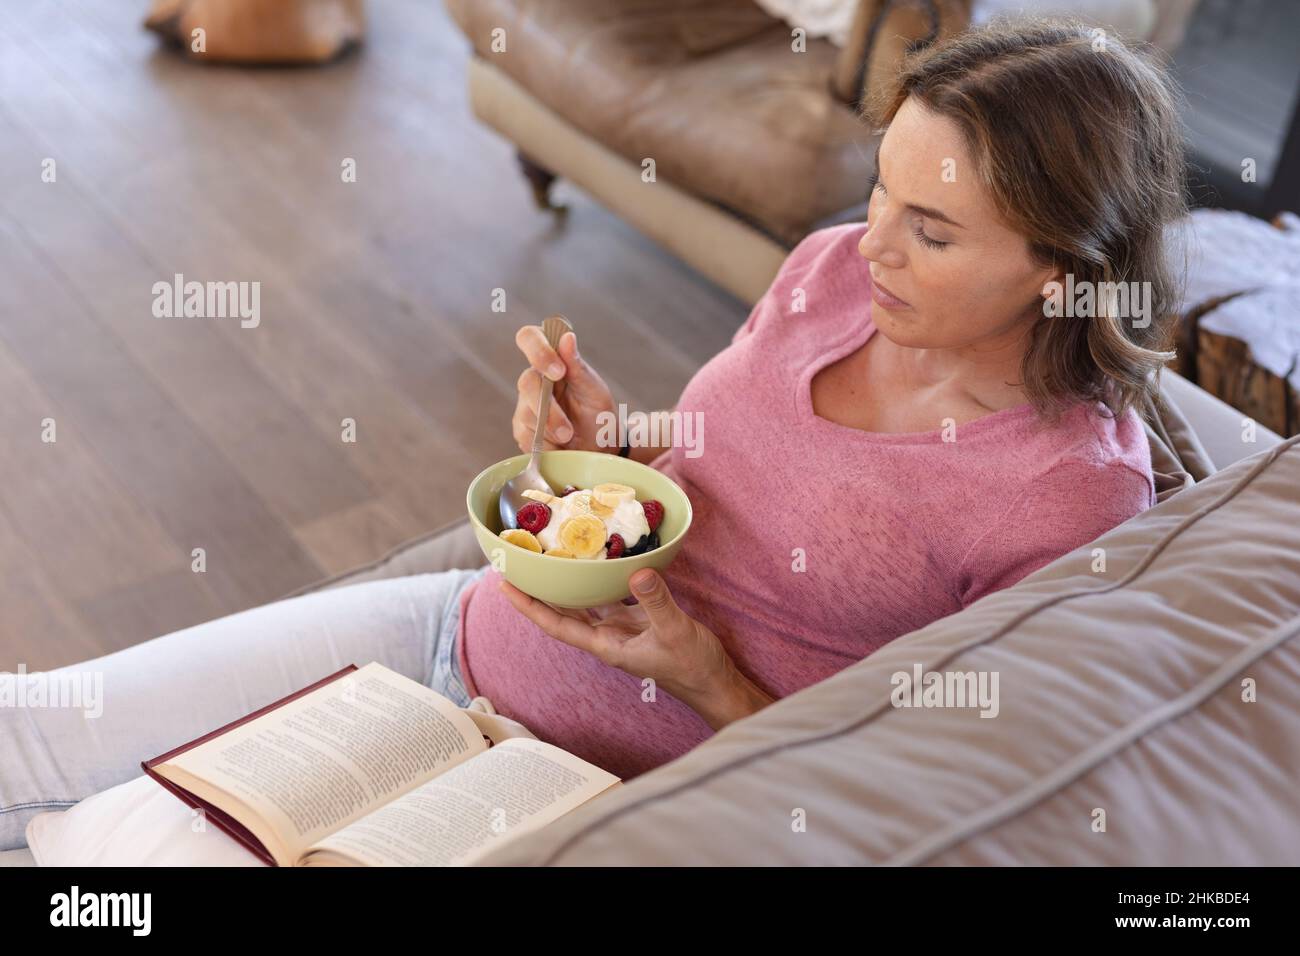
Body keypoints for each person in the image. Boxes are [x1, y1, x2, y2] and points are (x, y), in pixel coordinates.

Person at [0, 16, 1188, 850]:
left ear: (1061, 269)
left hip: (599, 787)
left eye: (930, 230)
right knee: (34, 731)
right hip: (453, 639)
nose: (869, 241)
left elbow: (933, 791)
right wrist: (606, 452)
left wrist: (704, 673)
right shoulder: (831, 272)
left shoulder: (1065, 500)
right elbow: (718, 462)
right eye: (879, 188)